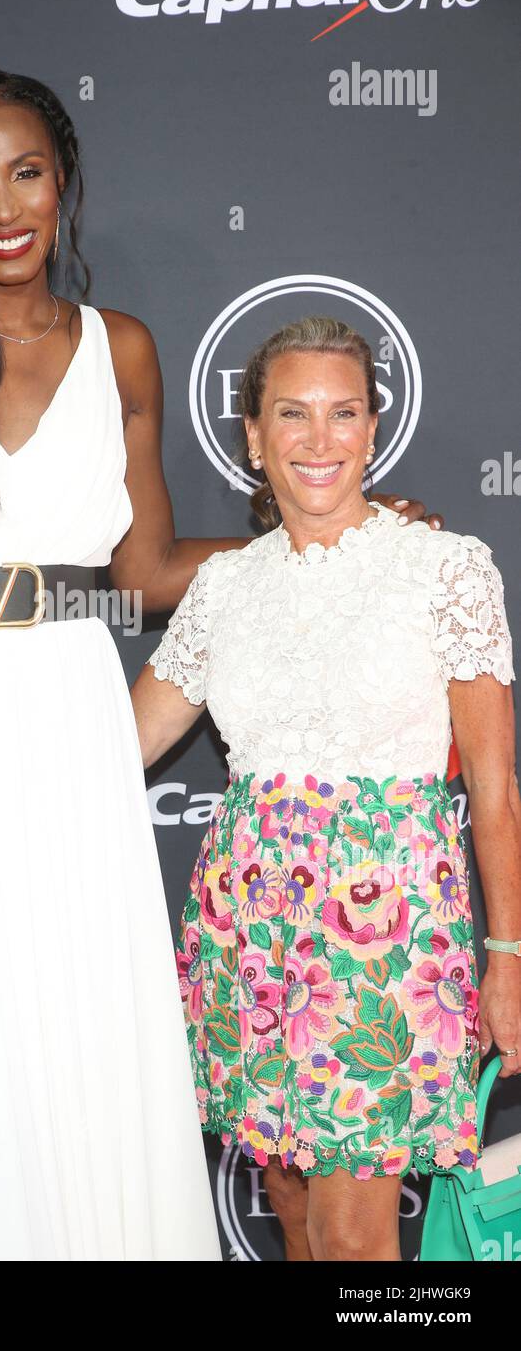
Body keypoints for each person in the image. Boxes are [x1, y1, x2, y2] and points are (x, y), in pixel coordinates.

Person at [0, 66, 437, 1261]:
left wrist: (337, 523)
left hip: (64, 722)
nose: (2, 204)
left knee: (64, 1034)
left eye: (25, 171)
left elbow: (145, 566)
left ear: (62, 183)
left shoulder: (118, 349)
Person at [130, 316, 521, 1263]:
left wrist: (507, 957)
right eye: (291, 415)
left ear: (374, 430)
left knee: (354, 1244)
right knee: (296, 1219)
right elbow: (117, 748)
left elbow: (499, 793)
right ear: (253, 438)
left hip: (388, 944)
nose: (318, 440)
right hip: (254, 938)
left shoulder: (445, 568)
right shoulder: (223, 589)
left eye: (343, 414)